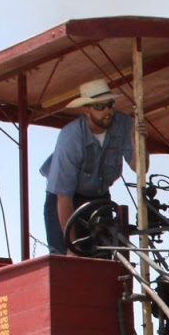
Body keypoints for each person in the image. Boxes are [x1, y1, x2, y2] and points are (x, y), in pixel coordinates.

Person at [40, 78, 135, 255]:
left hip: (99, 197)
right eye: (99, 106)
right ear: (86, 110)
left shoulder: (124, 124)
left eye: (110, 105)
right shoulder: (71, 138)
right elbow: (63, 196)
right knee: (66, 261)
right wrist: (72, 248)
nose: (107, 111)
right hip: (65, 200)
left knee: (105, 257)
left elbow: (140, 168)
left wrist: (138, 140)